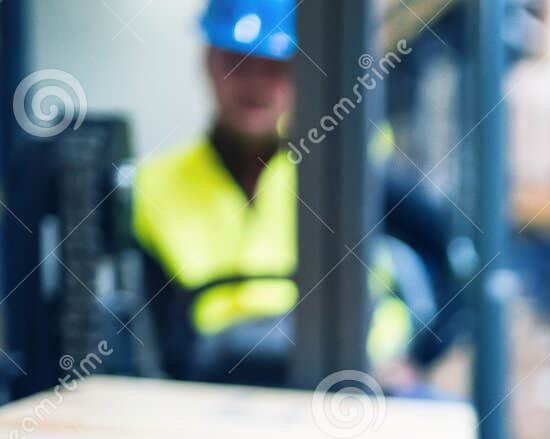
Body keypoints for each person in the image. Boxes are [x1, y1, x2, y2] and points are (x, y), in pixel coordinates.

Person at [132, 0, 414, 386]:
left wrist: (397, 357)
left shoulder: (349, 167)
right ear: (209, 63)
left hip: (347, 378)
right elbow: (144, 327)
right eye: (238, 61)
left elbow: (438, 263)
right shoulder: (152, 184)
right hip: (207, 389)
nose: (255, 84)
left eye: (275, 66)